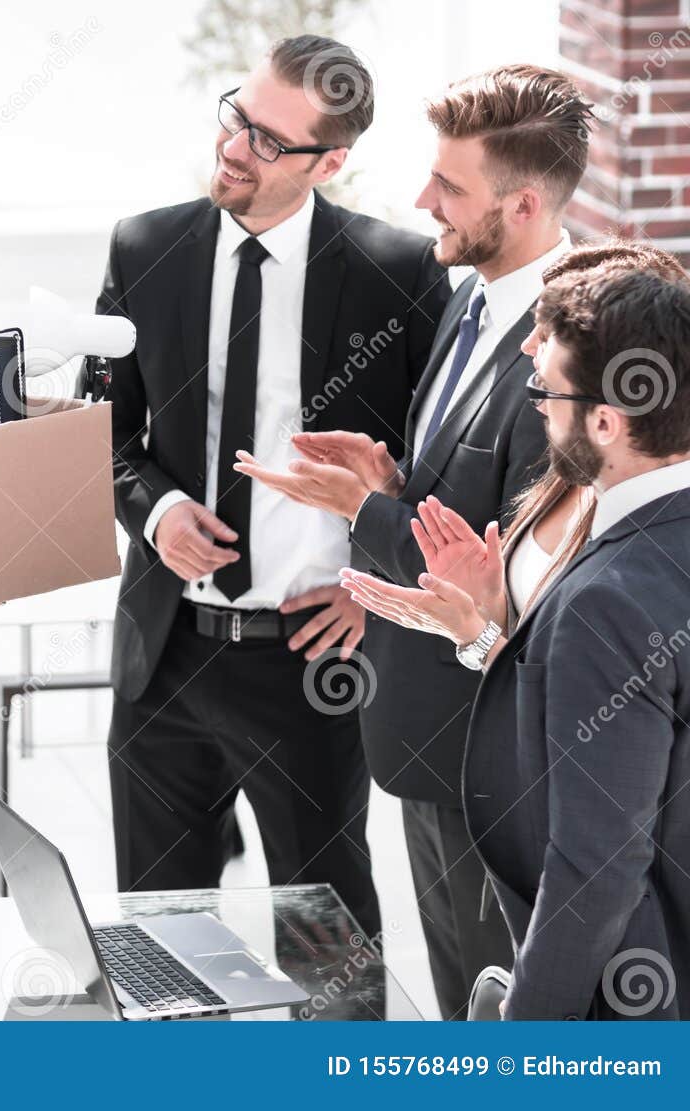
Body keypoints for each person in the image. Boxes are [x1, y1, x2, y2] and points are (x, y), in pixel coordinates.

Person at [235, 65, 595, 1018]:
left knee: (495, 1018)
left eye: (450, 187)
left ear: (520, 205)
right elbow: (459, 505)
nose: (420, 200)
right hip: (430, 739)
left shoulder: (567, 351)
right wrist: (393, 481)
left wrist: (363, 511)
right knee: (453, 1004)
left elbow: (513, 574)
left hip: (493, 758)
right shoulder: (471, 298)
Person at [94, 34, 447, 937]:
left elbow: (439, 473)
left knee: (327, 947)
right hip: (163, 650)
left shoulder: (398, 274)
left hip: (312, 662)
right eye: (236, 117)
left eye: (267, 140)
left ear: (330, 161)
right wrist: (159, 509)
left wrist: (385, 593)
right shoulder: (145, 248)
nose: (234, 147)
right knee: (161, 935)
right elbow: (103, 435)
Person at [462, 268, 690, 1019]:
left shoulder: (609, 600)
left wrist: (527, 1043)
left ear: (605, 422)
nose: (538, 416)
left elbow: (597, 865)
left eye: (546, 396)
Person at [341, 240, 690, 659]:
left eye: (549, 331)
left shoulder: (650, 526)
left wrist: (477, 638)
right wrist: (484, 612)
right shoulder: (572, 467)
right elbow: (536, 646)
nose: (527, 345)